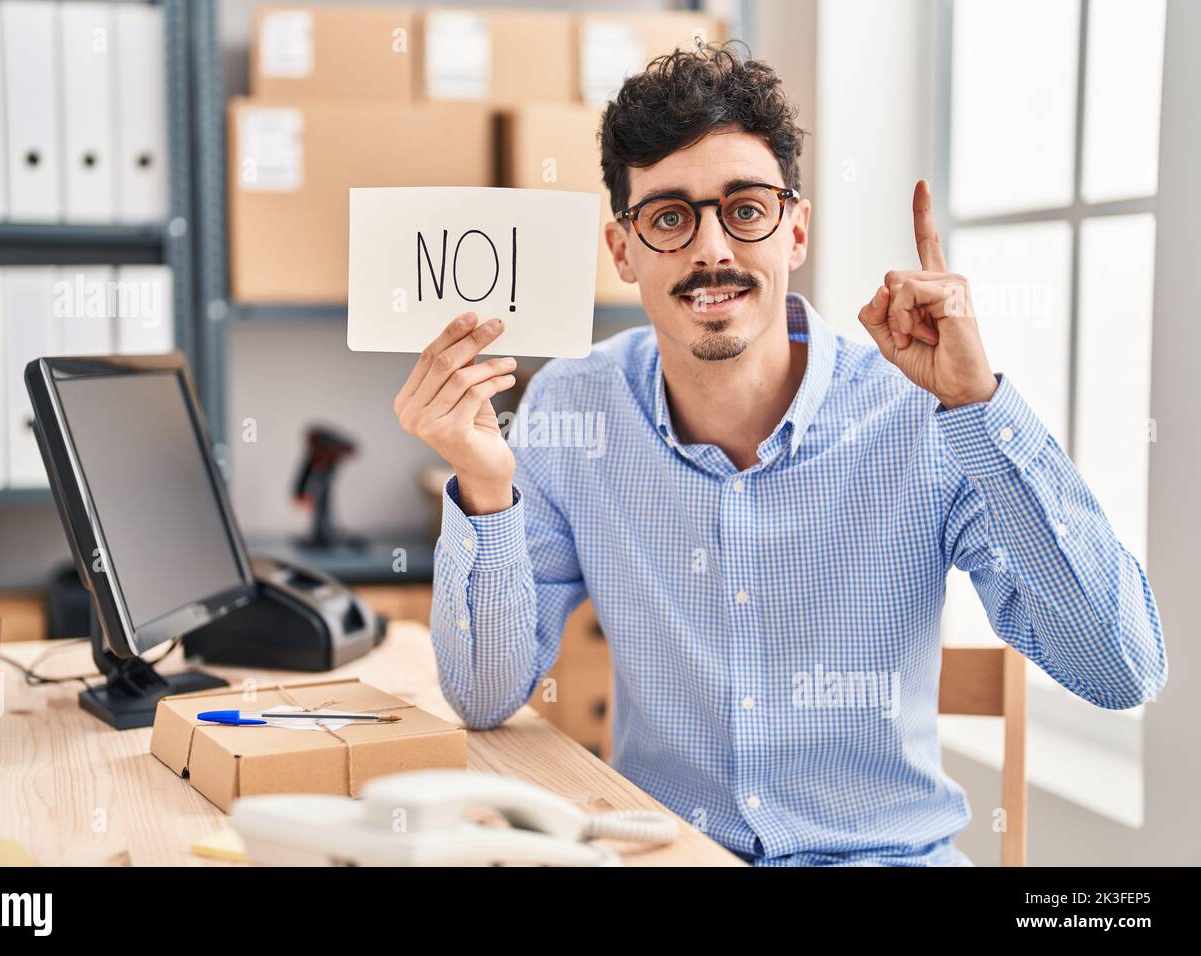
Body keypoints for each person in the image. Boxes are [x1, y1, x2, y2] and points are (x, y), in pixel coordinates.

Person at [392, 43, 1167, 866]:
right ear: (622, 251)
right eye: (667, 217)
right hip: (672, 851)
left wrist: (980, 408)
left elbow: (1120, 671)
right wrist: (482, 484)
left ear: (794, 229)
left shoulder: (921, 412)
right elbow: (483, 699)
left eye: (747, 208)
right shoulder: (571, 410)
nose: (712, 251)